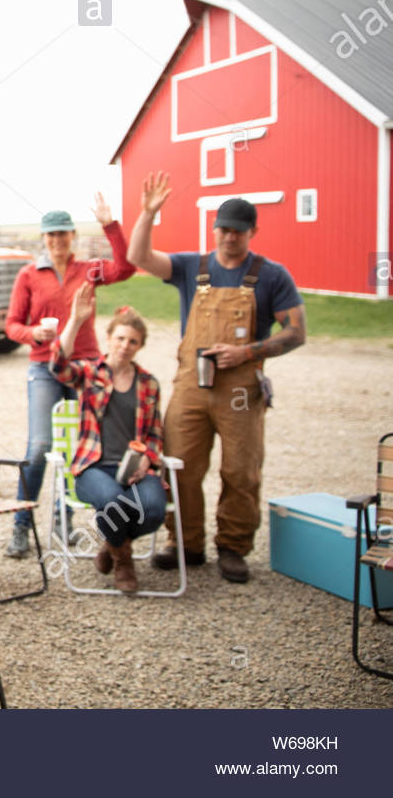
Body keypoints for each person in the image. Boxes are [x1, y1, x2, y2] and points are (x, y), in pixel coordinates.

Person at [128, 173, 305, 583]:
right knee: (180, 466)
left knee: (241, 470)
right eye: (223, 229)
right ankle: (186, 544)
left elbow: (296, 332)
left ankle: (233, 547)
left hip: (241, 389)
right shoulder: (192, 267)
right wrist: (149, 212)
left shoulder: (271, 275)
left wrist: (247, 352)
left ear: (252, 232)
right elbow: (139, 255)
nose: (229, 237)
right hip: (191, 385)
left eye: (238, 231)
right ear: (215, 230)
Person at [2, 197, 136, 558]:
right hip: (45, 367)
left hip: (86, 366)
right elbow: (11, 324)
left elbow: (126, 268)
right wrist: (33, 335)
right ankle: (21, 526)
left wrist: (111, 226)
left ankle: (64, 522)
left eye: (63, 234)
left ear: (73, 236)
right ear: (43, 239)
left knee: (81, 447)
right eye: (51, 235)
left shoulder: (89, 269)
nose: (57, 240)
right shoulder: (29, 275)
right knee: (41, 446)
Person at [49, 285, 166, 592]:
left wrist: (148, 459)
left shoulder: (149, 384)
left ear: (139, 346)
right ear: (109, 338)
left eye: (133, 341)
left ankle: (111, 546)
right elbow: (58, 366)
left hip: (135, 470)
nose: (125, 346)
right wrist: (75, 320)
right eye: (120, 338)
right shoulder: (90, 373)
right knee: (112, 501)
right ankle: (124, 562)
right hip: (94, 468)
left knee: (154, 509)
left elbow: (154, 434)